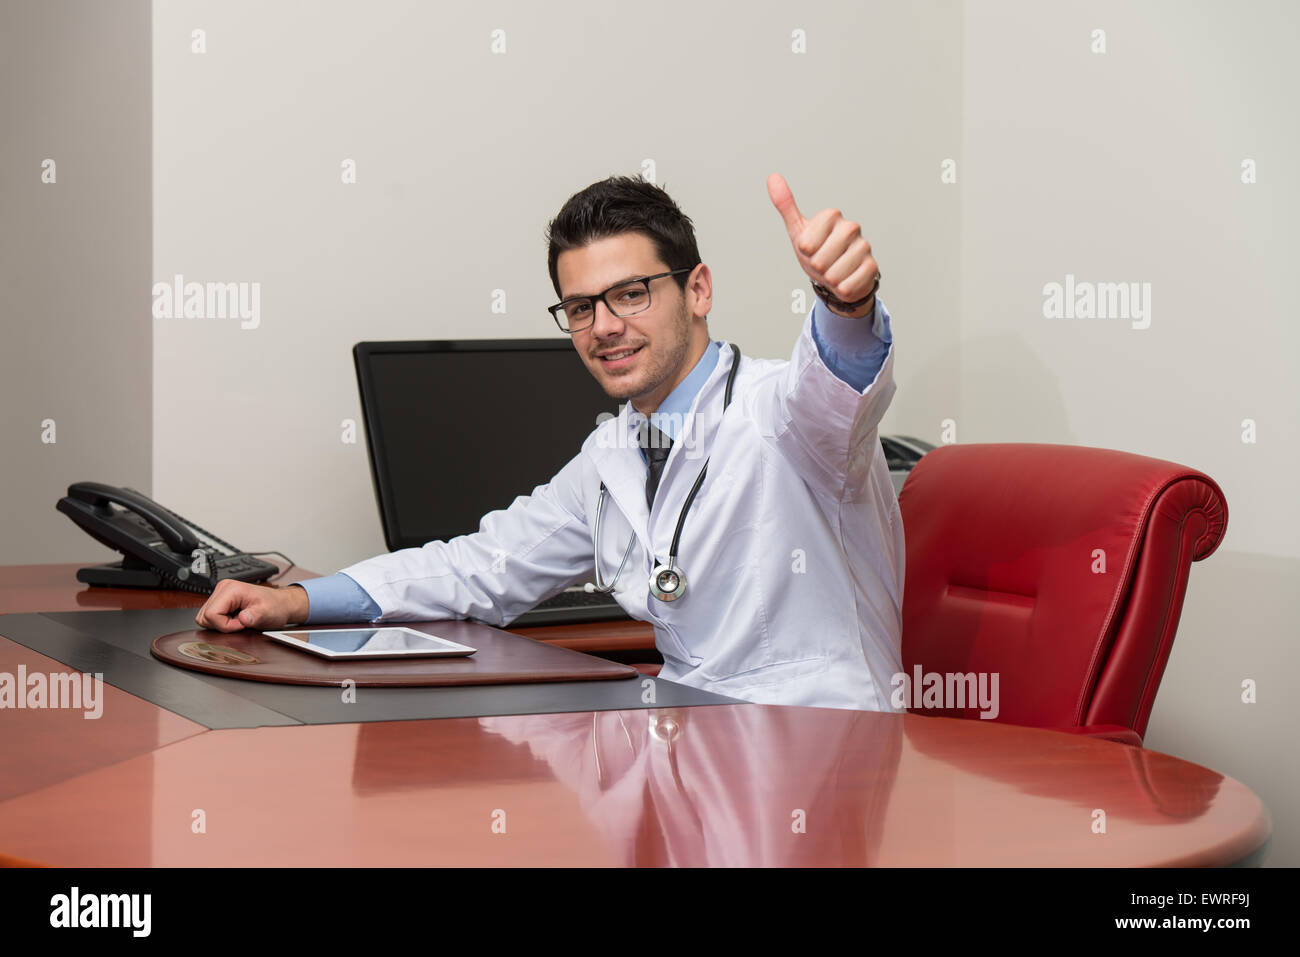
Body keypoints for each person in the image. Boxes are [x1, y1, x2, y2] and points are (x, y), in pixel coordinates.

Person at [195, 173, 904, 711]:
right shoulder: (614, 454)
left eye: (631, 293)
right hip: (698, 747)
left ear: (698, 290)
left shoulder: (782, 414)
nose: (604, 326)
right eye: (580, 307)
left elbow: (837, 381)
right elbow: (479, 566)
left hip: (828, 755)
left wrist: (846, 301)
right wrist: (299, 602)